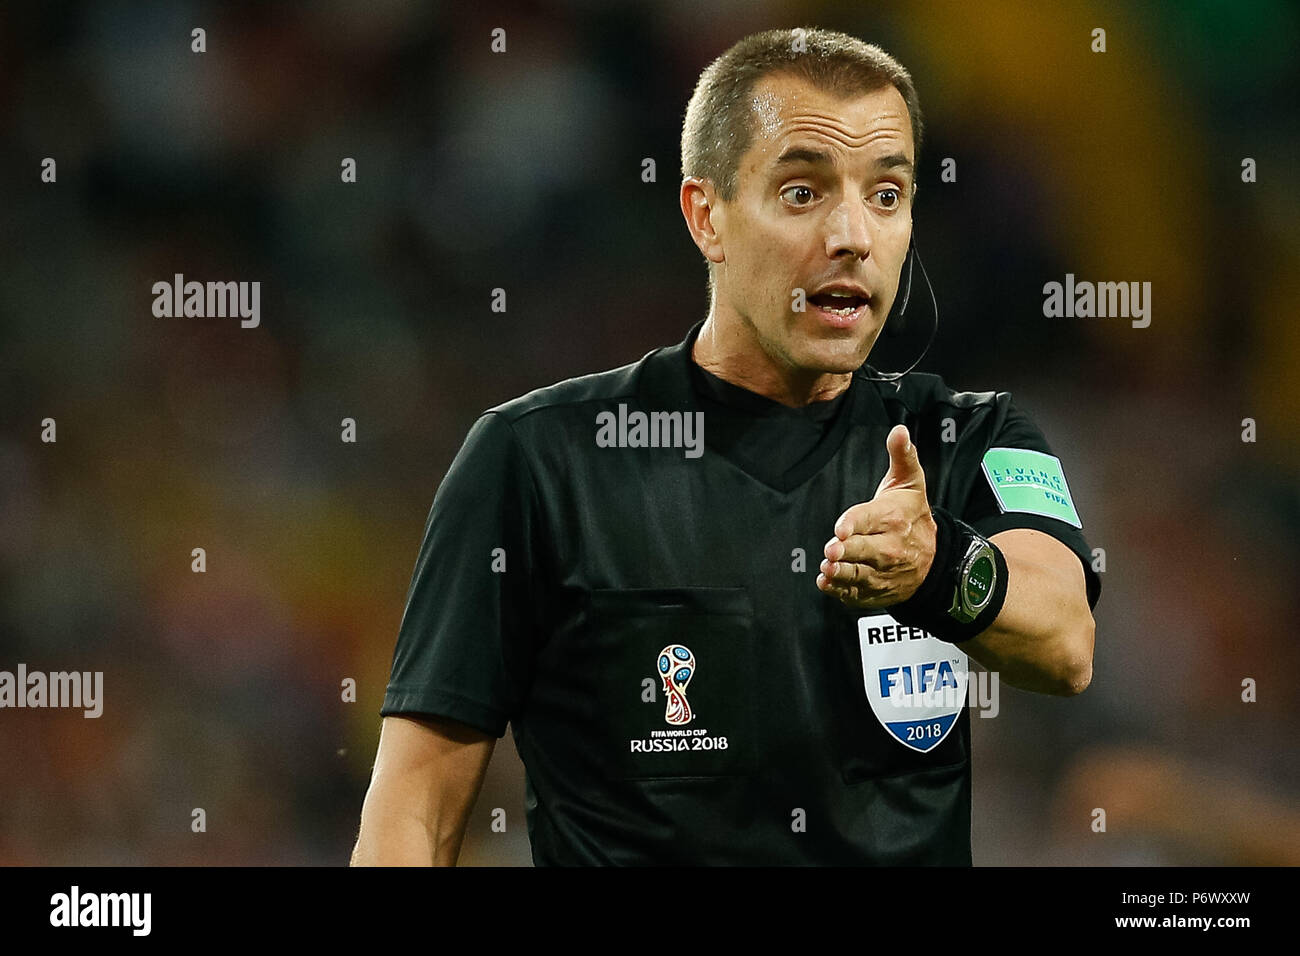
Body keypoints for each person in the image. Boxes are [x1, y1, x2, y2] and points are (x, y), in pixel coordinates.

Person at [351, 27, 1101, 866]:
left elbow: (1066, 640)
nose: (853, 234)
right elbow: (415, 808)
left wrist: (936, 571)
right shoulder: (536, 462)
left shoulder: (964, 439)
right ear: (707, 215)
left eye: (886, 195)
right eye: (803, 192)